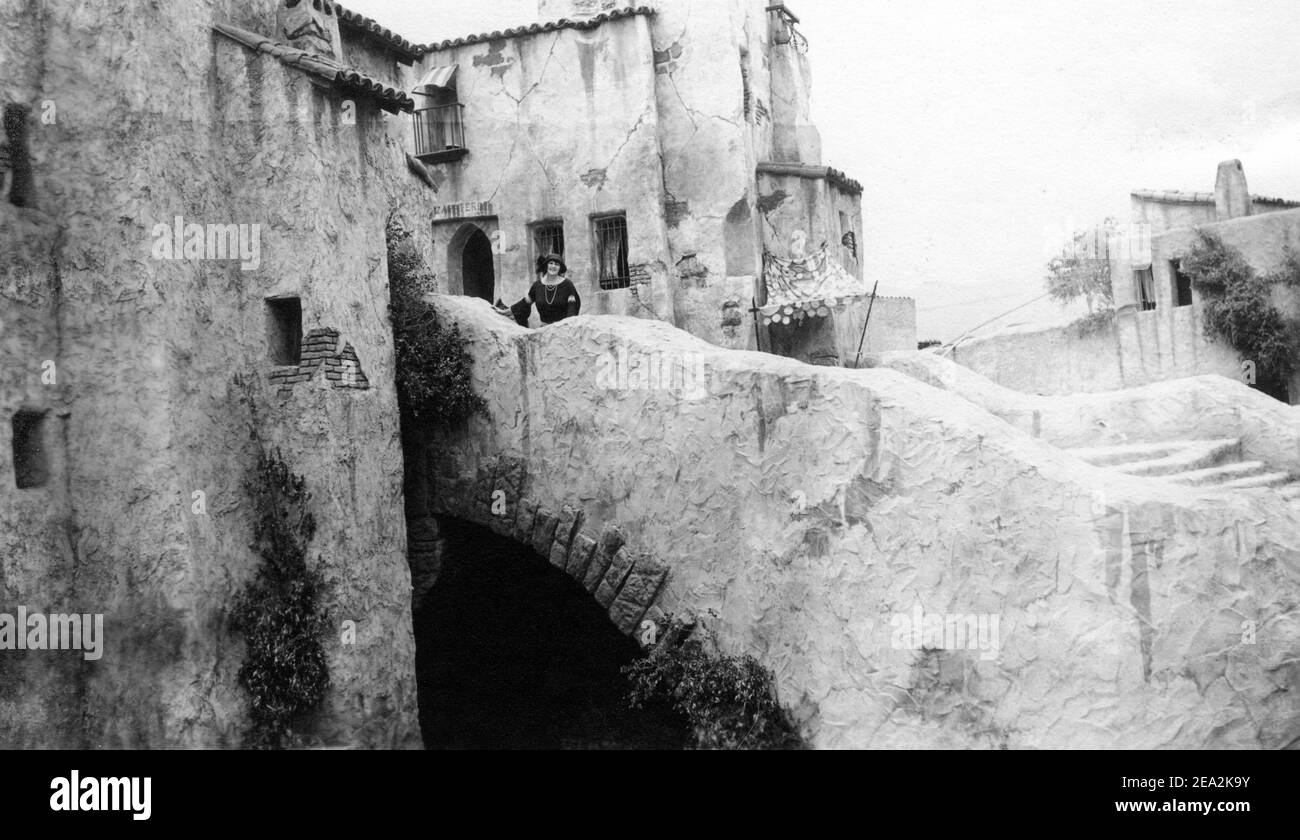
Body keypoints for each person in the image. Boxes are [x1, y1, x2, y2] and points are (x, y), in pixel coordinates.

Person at [495, 253, 581, 326]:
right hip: (544, 331)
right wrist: (505, 311)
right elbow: (524, 303)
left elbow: (572, 310)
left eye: (557, 264)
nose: (553, 266)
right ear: (546, 265)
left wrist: (567, 328)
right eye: (551, 263)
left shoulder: (567, 285)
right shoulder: (537, 285)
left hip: (562, 330)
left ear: (560, 268)